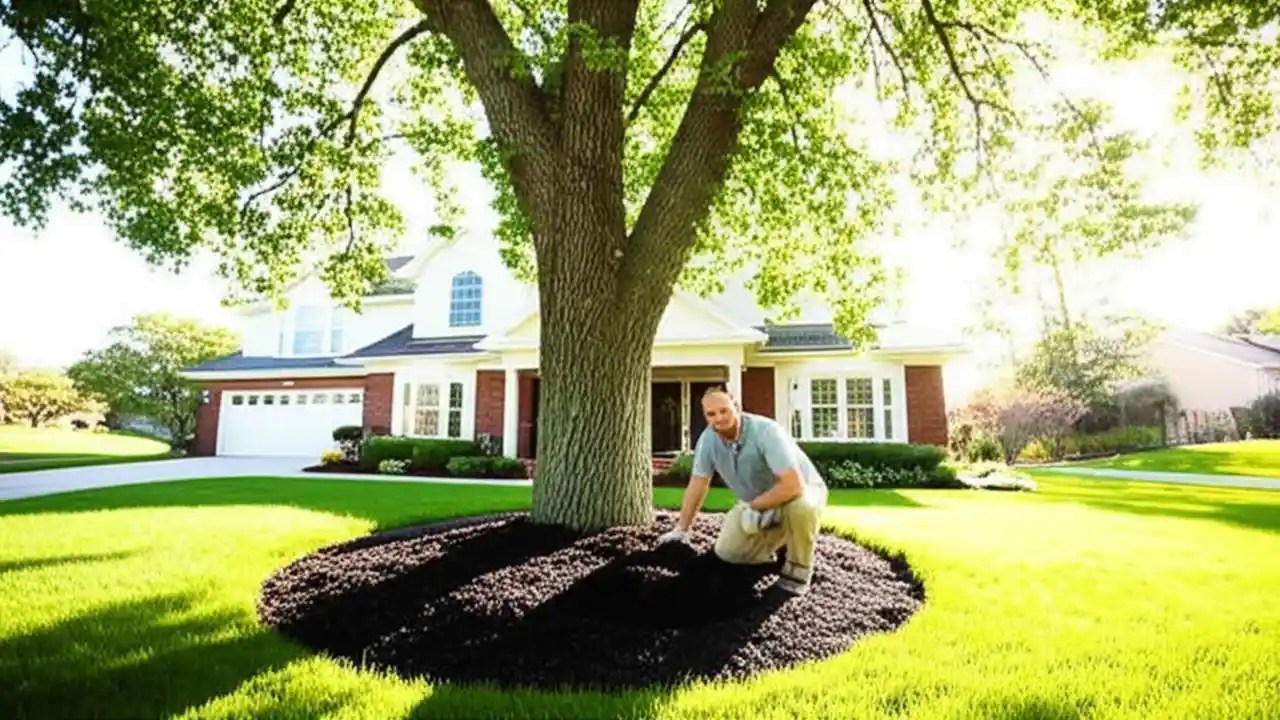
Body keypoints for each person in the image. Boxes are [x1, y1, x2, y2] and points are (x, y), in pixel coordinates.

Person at [658, 385, 828, 595]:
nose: (719, 418)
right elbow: (698, 484)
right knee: (727, 553)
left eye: (724, 410)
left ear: (737, 407)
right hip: (759, 504)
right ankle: (775, 544)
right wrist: (681, 530)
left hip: (799, 494)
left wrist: (755, 506)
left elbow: (794, 485)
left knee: (803, 507)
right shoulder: (708, 441)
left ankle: (798, 569)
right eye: (711, 414)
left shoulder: (766, 432)